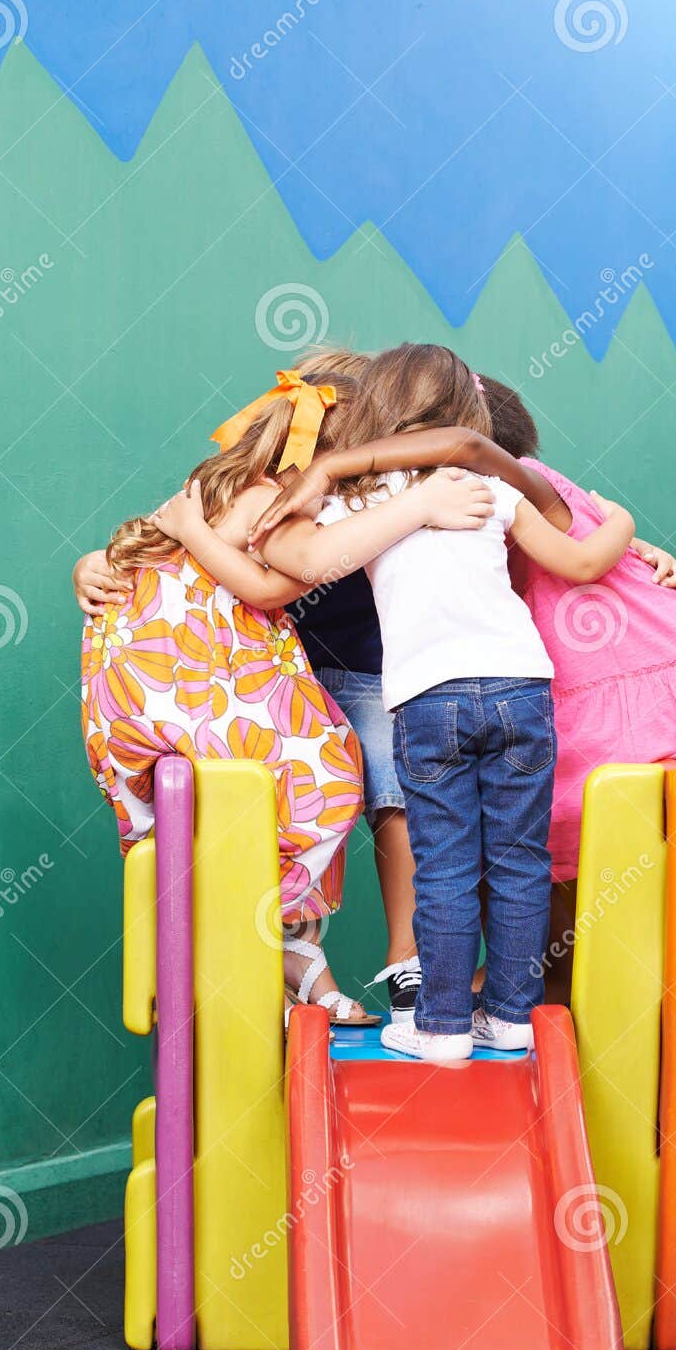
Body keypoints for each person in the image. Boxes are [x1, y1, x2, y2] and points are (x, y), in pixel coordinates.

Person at [82, 367, 494, 1023]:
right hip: (195, 687)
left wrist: (112, 558)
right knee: (327, 776)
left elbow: (138, 554)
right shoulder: (277, 501)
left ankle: (295, 958)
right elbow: (286, 579)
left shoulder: (213, 484)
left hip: (139, 698)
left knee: (271, 800)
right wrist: (418, 506)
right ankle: (263, 947)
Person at [298, 342, 637, 1061]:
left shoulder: (356, 499)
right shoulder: (493, 490)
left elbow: (304, 557)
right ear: (470, 416)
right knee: (519, 862)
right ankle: (512, 1017)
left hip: (430, 698)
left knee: (447, 866)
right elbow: (582, 561)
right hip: (522, 689)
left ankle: (442, 1025)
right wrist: (623, 527)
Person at [477, 374, 676, 998]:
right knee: (576, 852)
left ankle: (542, 985)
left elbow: (580, 560)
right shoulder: (510, 497)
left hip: (625, 691)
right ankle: (548, 983)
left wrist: (624, 524)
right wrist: (628, 529)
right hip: (661, 673)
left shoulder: (514, 481)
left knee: (528, 826)